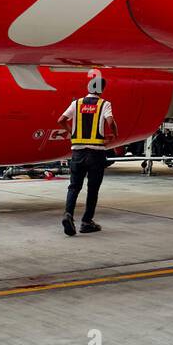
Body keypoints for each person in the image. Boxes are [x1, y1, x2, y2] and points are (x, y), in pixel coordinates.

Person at [58, 76, 117, 236]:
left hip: (77, 152)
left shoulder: (76, 103)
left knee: (74, 187)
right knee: (92, 189)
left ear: (89, 88)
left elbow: (61, 119)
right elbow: (110, 122)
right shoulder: (104, 104)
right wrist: (114, 134)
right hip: (96, 153)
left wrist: (72, 132)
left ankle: (68, 214)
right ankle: (86, 222)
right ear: (101, 89)